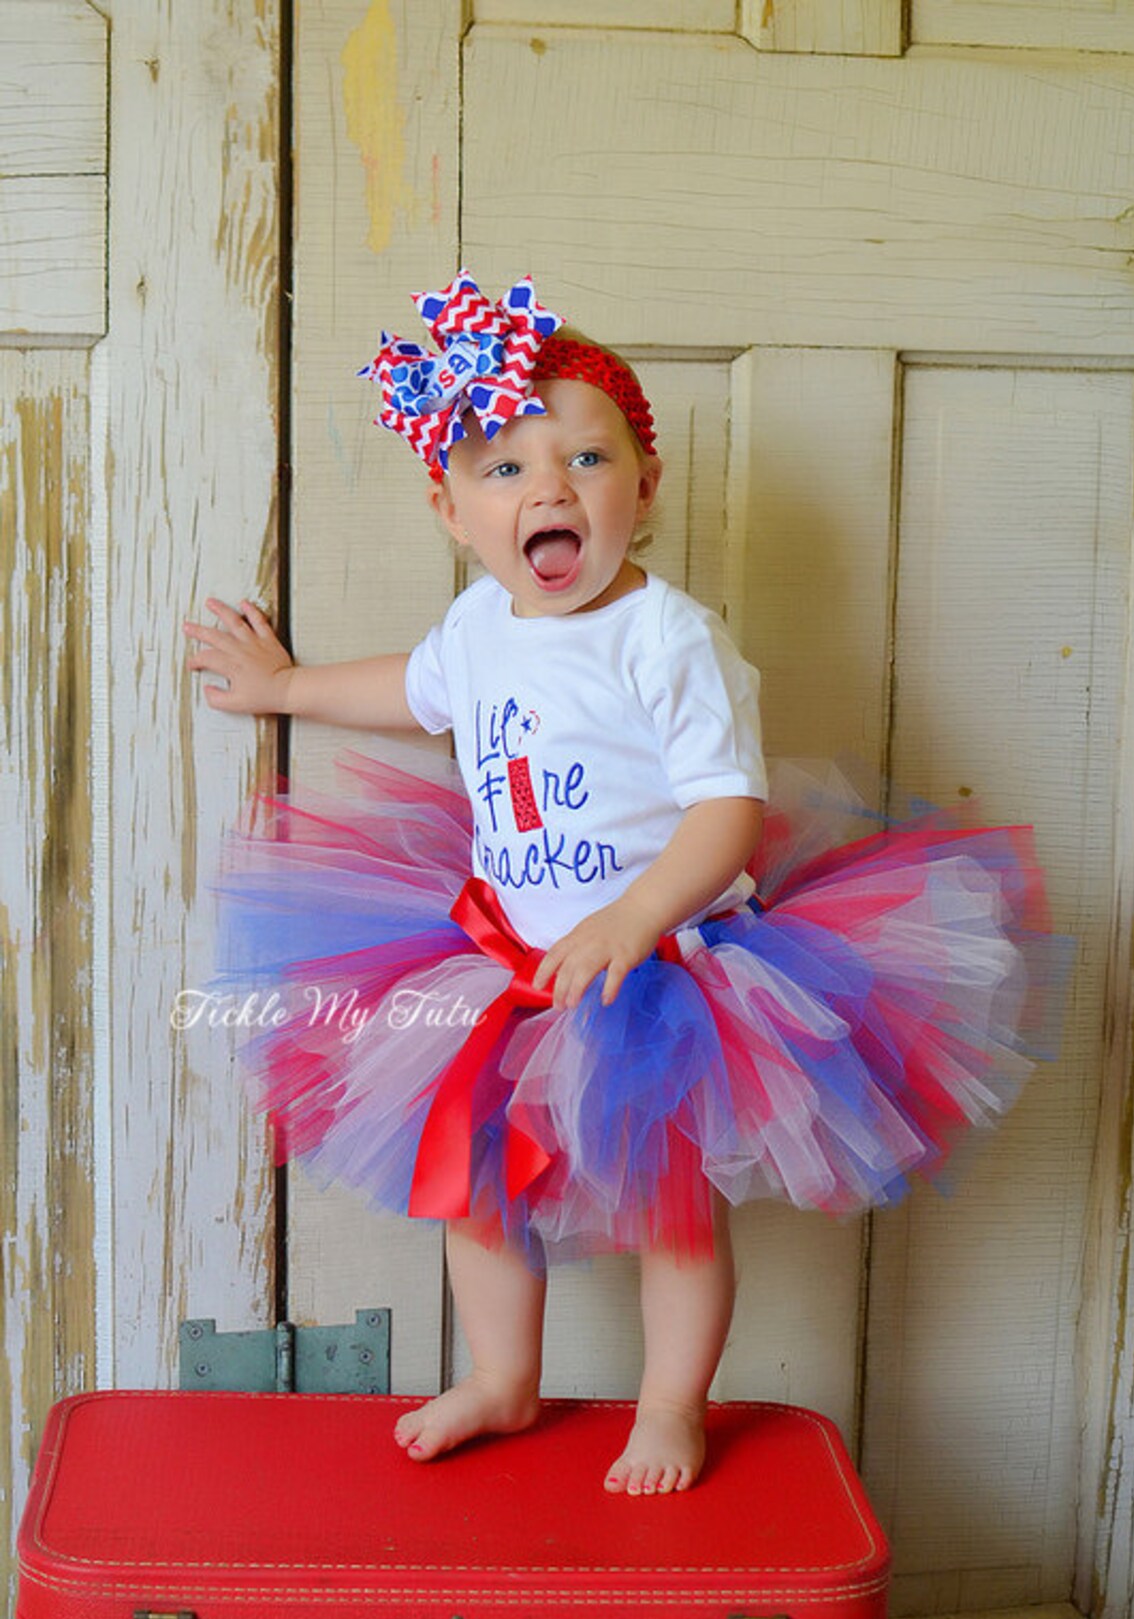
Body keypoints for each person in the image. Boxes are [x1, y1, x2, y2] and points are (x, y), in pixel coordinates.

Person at [186, 272, 1060, 1496]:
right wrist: (291, 687)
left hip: (666, 971)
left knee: (668, 1208)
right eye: (503, 469)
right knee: (475, 1188)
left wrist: (636, 913)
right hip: (505, 959)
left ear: (643, 490)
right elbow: (415, 693)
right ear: (452, 511)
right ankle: (502, 1376)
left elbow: (726, 807)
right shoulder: (481, 625)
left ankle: (671, 1405)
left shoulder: (668, 634)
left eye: (585, 459)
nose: (547, 488)